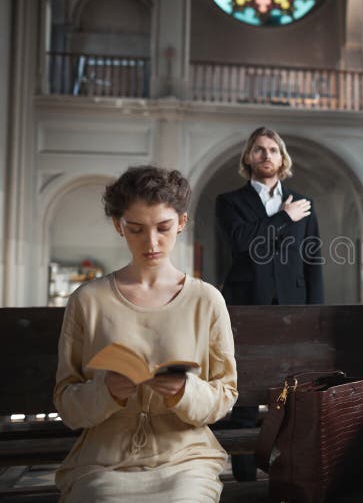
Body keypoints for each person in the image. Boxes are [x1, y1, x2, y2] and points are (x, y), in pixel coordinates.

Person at [53, 166, 238, 502]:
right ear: (118, 226)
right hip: (103, 461)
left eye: (163, 228)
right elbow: (66, 402)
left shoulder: (206, 299)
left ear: (181, 223)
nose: (151, 243)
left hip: (185, 459)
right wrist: (107, 391)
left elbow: (225, 394)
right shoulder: (87, 300)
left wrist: (184, 391)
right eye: (136, 229)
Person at [216, 126, 323, 481]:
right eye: (259, 149)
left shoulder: (303, 204)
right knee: (246, 401)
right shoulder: (229, 202)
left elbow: (312, 262)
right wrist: (282, 217)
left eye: (273, 150)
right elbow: (244, 242)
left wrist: (315, 315)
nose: (266, 155)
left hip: (293, 312)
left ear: (282, 158)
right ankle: (245, 484)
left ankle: (291, 481)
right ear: (248, 157)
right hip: (246, 311)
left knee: (294, 403)